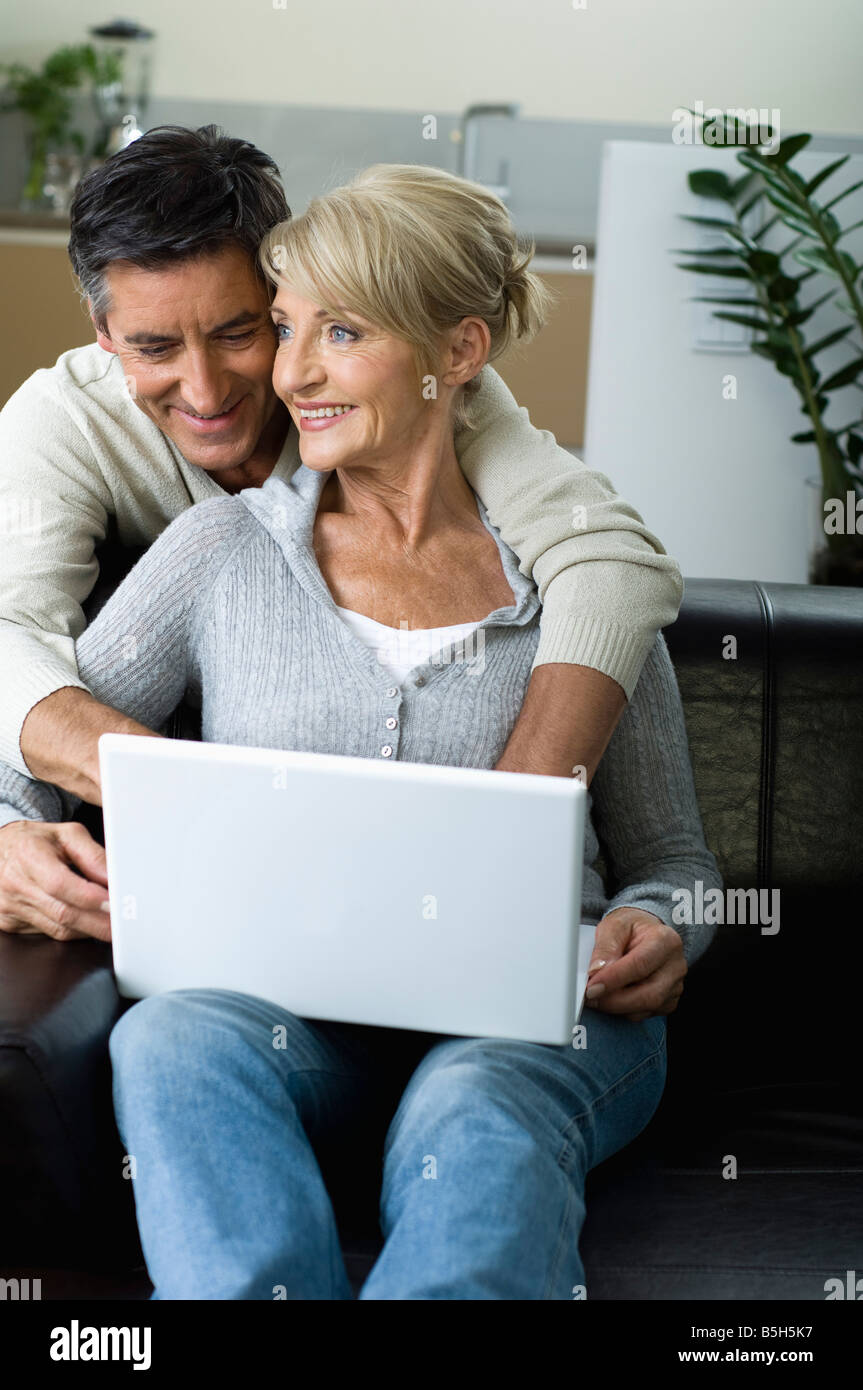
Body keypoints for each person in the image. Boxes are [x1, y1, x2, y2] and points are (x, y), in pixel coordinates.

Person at [0, 162, 722, 1299]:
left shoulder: (579, 588)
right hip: (294, 1020)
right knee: (171, 1036)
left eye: (333, 332)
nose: (285, 374)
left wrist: (654, 926)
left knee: (476, 1097)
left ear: (458, 352)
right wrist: (5, 837)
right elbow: (26, 744)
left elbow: (673, 863)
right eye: (286, 330)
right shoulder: (220, 553)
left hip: (532, 1025)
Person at [0, 125, 684, 944]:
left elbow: (607, 564)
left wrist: (517, 835)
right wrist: (171, 805)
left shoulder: (415, 387)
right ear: (103, 330)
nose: (207, 389)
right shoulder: (62, 422)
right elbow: (11, 633)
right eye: (153, 346)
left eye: (240, 333)